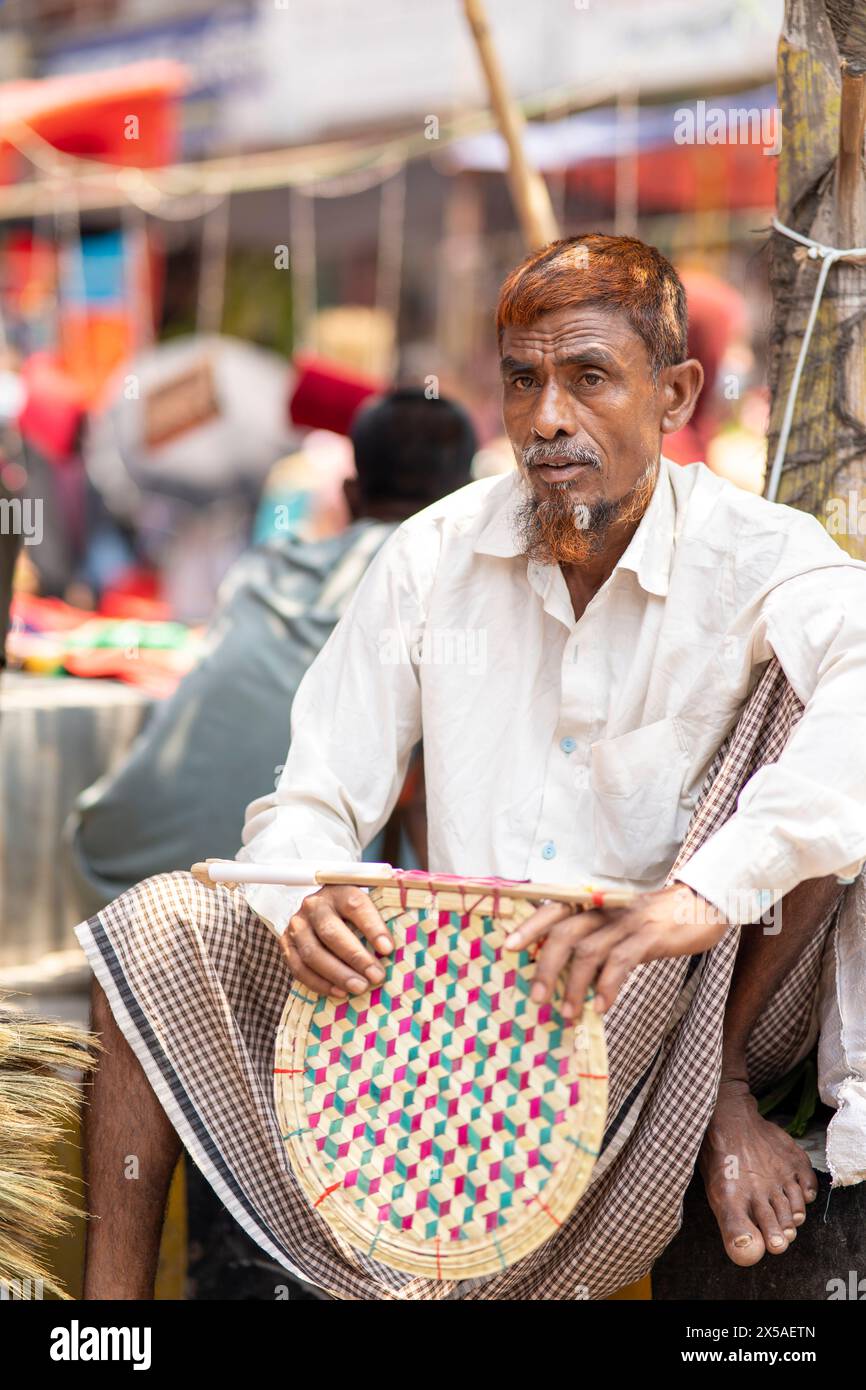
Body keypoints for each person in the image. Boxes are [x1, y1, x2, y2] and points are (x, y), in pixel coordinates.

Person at [76, 234, 866, 1301]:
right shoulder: (430, 555)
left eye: (588, 378)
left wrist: (693, 898)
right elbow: (307, 802)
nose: (545, 419)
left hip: (649, 983)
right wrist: (305, 892)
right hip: (435, 986)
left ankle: (698, 1092)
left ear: (674, 392)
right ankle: (103, 1325)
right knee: (155, 926)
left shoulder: (755, 555)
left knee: (805, 707)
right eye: (523, 380)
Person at [68, 388, 476, 912]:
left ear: (351, 494)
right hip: (272, 891)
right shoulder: (441, 588)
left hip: (114, 867)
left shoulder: (265, 566)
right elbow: (427, 799)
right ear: (466, 498)